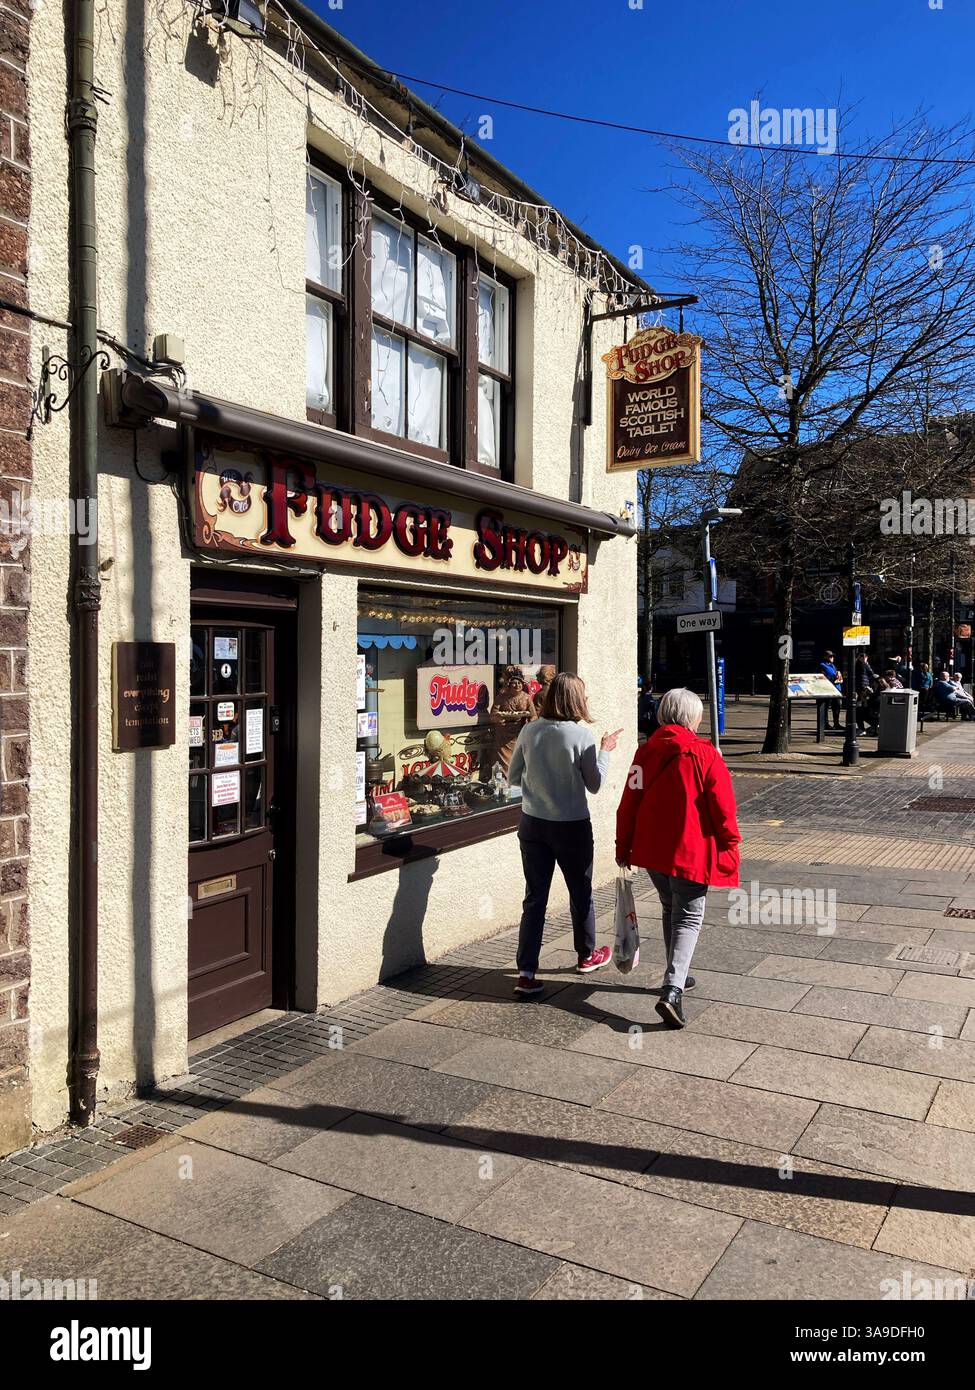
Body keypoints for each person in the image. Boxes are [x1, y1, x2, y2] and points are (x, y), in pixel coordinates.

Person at [615, 687, 741, 1030]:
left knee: (671, 909)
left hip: (652, 851)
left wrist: (622, 845)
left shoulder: (644, 753)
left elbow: (630, 802)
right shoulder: (704, 754)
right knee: (688, 916)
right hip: (690, 850)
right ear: (692, 718)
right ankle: (672, 990)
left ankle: (678, 975)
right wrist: (730, 841)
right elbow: (723, 807)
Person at [507, 673, 622, 996]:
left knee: (534, 899)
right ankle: (586, 955)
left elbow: (514, 776)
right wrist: (606, 749)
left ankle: (526, 972)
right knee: (579, 892)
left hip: (532, 824)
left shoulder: (529, 730)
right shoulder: (581, 736)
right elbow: (595, 784)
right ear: (576, 699)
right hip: (571, 826)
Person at [489, 666, 536, 775]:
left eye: (519, 683)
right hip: (503, 735)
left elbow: (533, 715)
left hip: (520, 733)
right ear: (509, 684)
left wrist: (529, 723)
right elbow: (493, 715)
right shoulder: (501, 697)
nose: (517, 685)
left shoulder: (527, 697)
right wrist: (500, 720)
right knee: (504, 764)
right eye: (514, 683)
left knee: (518, 761)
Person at [818, 649, 844, 730]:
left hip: (836, 689)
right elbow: (822, 677)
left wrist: (839, 676)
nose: (832, 658)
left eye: (832, 656)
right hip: (828, 689)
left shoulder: (833, 665)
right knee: (825, 707)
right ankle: (825, 724)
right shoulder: (822, 665)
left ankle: (836, 723)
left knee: (837, 706)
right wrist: (833, 678)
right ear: (825, 657)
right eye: (830, 656)